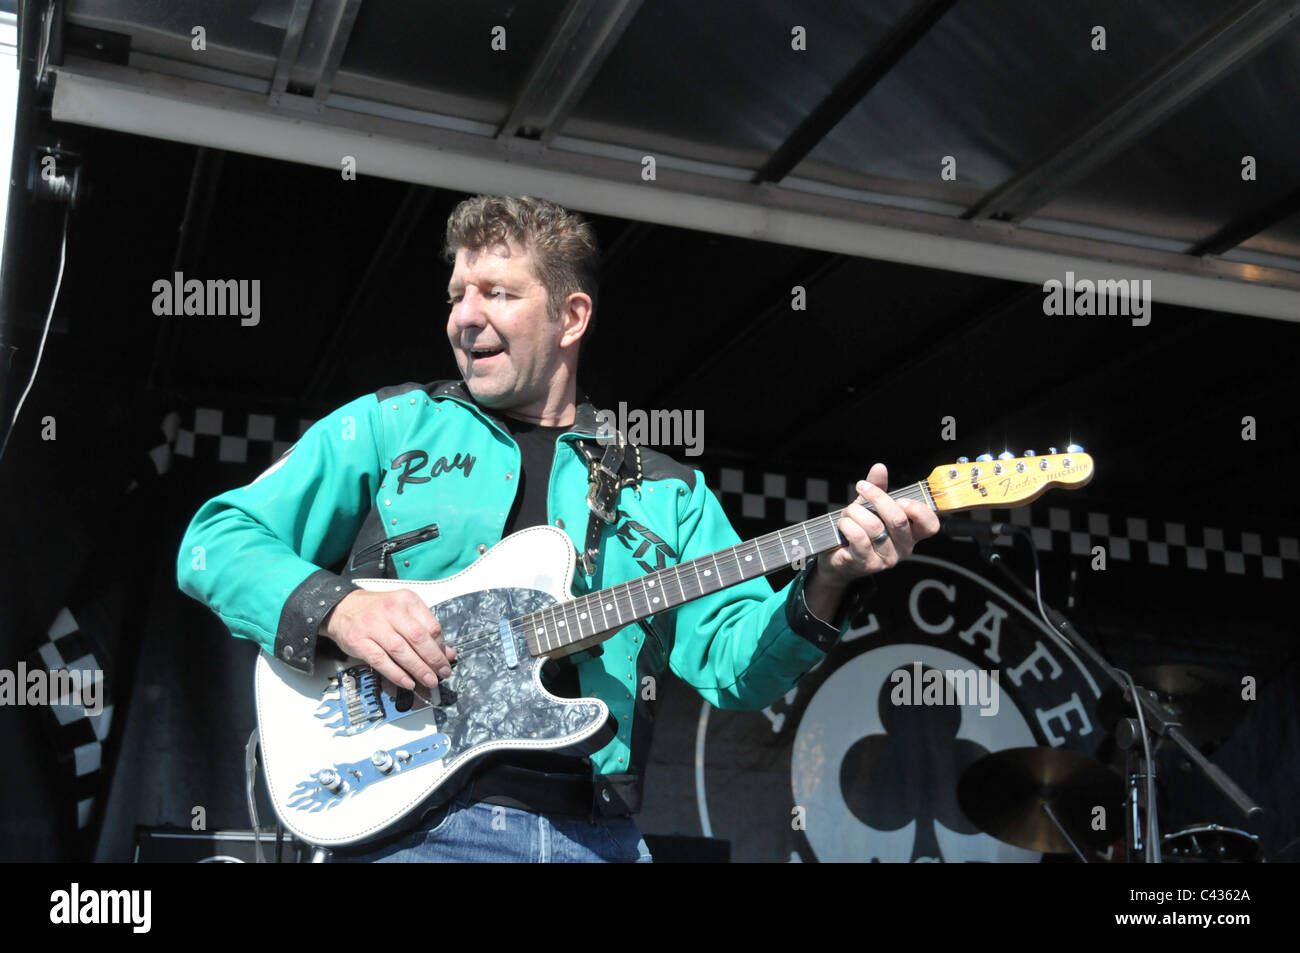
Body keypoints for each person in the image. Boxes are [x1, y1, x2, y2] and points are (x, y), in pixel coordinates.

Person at [176, 194, 940, 862]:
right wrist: (342, 608)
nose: (463, 316)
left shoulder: (668, 492)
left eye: (497, 293)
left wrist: (831, 576)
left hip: (598, 834)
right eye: (456, 295)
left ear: (571, 316)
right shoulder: (392, 426)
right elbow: (216, 539)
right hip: (412, 828)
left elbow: (734, 669)